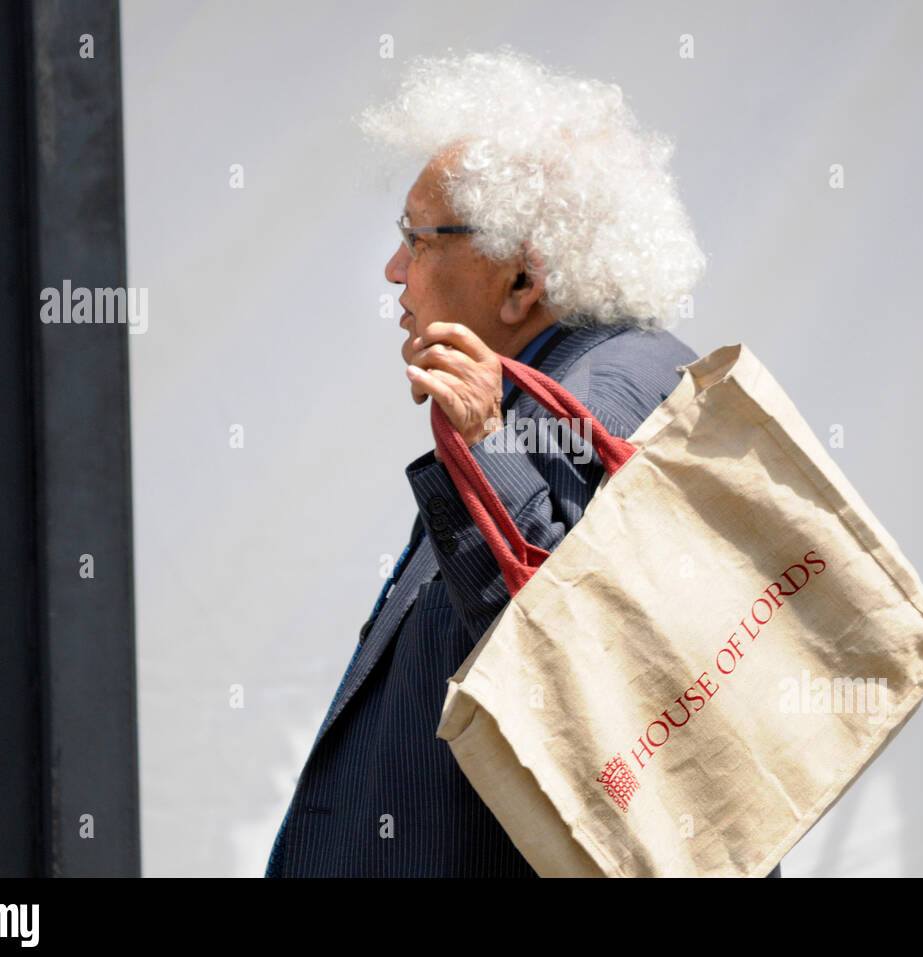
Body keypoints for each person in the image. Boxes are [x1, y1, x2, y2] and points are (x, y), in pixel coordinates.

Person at [267, 48, 781, 878]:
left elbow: (571, 668)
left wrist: (483, 444)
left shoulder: (580, 402)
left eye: (417, 239)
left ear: (519, 280)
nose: (394, 270)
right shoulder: (616, 377)